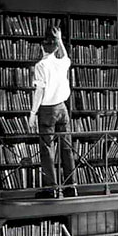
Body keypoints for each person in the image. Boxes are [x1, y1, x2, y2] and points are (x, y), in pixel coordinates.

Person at [28, 26, 75, 198]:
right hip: (63, 108)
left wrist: (32, 113)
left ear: (42, 48)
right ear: (55, 48)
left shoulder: (41, 65)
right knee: (66, 147)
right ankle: (71, 187)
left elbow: (39, 91)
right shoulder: (62, 62)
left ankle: (52, 188)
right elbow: (65, 55)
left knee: (47, 149)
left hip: (47, 110)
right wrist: (60, 39)